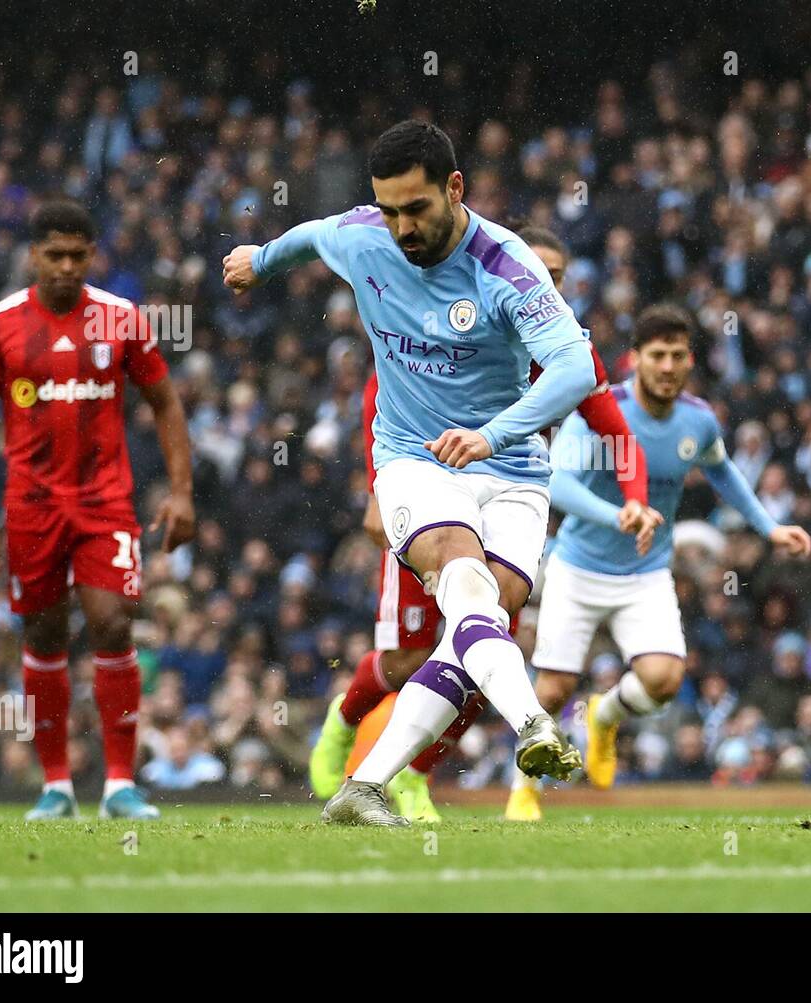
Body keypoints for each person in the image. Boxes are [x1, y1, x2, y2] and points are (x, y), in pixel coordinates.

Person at [223, 120, 597, 826]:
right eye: (388, 209)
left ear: (455, 189)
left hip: (513, 466)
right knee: (464, 577)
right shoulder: (365, 234)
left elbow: (576, 365)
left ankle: (363, 787)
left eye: (415, 209)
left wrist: (494, 433)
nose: (400, 227)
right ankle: (534, 726)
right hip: (412, 458)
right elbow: (312, 234)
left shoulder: (506, 265)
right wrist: (261, 258)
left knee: (477, 623)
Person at [307, 226, 658, 821]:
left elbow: (613, 426)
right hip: (428, 489)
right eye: (532, 269)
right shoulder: (451, 318)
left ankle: (397, 780)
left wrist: (636, 497)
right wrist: (375, 486)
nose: (535, 282)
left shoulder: (566, 348)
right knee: (404, 661)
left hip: (511, 499)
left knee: (474, 645)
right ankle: (351, 717)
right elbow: (379, 394)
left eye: (552, 275)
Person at [505, 304, 811, 821]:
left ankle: (604, 714)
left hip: (645, 573)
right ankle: (524, 789)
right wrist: (617, 514)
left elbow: (723, 471)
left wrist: (769, 527)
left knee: (664, 680)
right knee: (554, 689)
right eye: (657, 356)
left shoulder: (698, 419)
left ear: (690, 360)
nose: (668, 367)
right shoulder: (603, 410)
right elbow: (558, 480)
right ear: (635, 360)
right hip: (578, 568)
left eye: (677, 356)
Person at [0, 199, 195, 820]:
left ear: (93, 256)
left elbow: (165, 404)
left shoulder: (121, 320)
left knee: (113, 622)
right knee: (43, 633)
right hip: (31, 506)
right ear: (33, 255)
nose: (65, 266)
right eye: (53, 255)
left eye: (77, 255)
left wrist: (182, 492)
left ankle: (119, 783)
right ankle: (56, 784)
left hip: (104, 502)